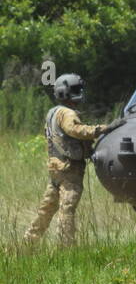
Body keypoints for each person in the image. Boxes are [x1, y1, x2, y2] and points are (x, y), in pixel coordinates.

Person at [24, 74, 116, 247]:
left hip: (56, 168)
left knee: (47, 208)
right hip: (69, 170)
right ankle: (66, 247)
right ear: (67, 92)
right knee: (67, 208)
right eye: (76, 90)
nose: (80, 93)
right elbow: (75, 130)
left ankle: (28, 243)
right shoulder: (67, 113)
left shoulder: (53, 112)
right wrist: (103, 129)